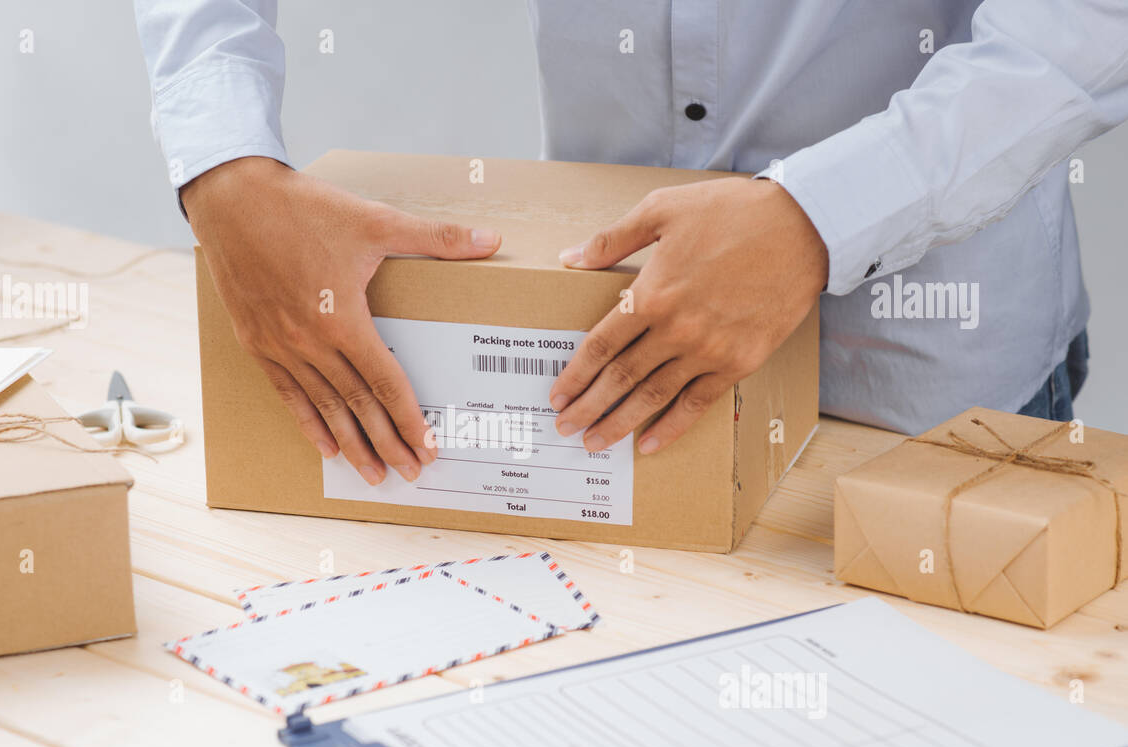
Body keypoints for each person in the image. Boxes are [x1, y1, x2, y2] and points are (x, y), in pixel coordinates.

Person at [134, 0, 1126, 485]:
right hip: (607, 360)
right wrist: (223, 160)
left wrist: (825, 216)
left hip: (919, 377)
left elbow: (1083, 27)